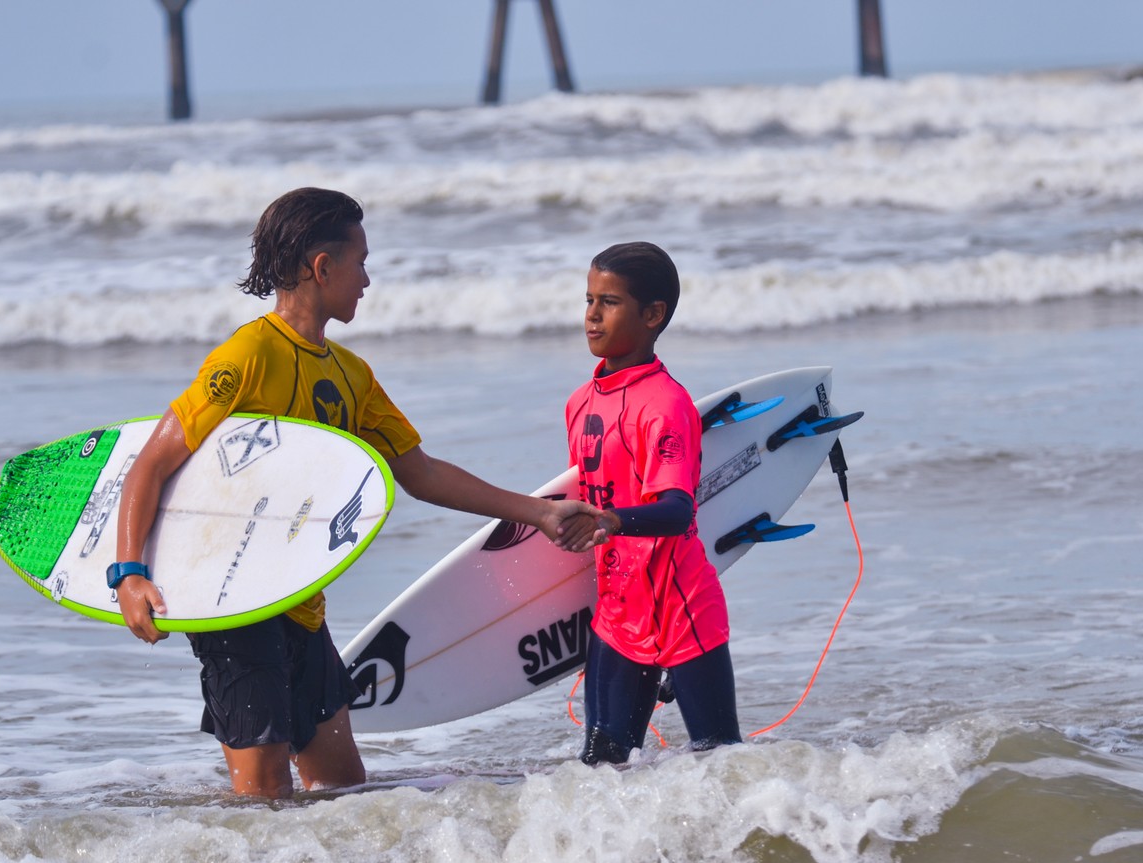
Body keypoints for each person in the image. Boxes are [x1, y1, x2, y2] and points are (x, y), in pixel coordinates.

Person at [112, 187, 600, 798]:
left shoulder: (351, 375)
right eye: (361, 262)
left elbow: (421, 473)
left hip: (302, 604)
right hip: (236, 604)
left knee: (342, 788)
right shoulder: (247, 356)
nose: (367, 280)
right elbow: (151, 464)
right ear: (323, 267)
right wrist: (128, 574)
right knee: (263, 799)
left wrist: (539, 512)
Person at [561, 241, 742, 764]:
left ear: (653, 314)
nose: (592, 315)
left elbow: (678, 511)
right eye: (589, 300)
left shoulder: (665, 405)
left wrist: (611, 521)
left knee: (721, 762)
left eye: (609, 302)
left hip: (682, 608)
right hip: (619, 610)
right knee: (601, 767)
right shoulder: (579, 404)